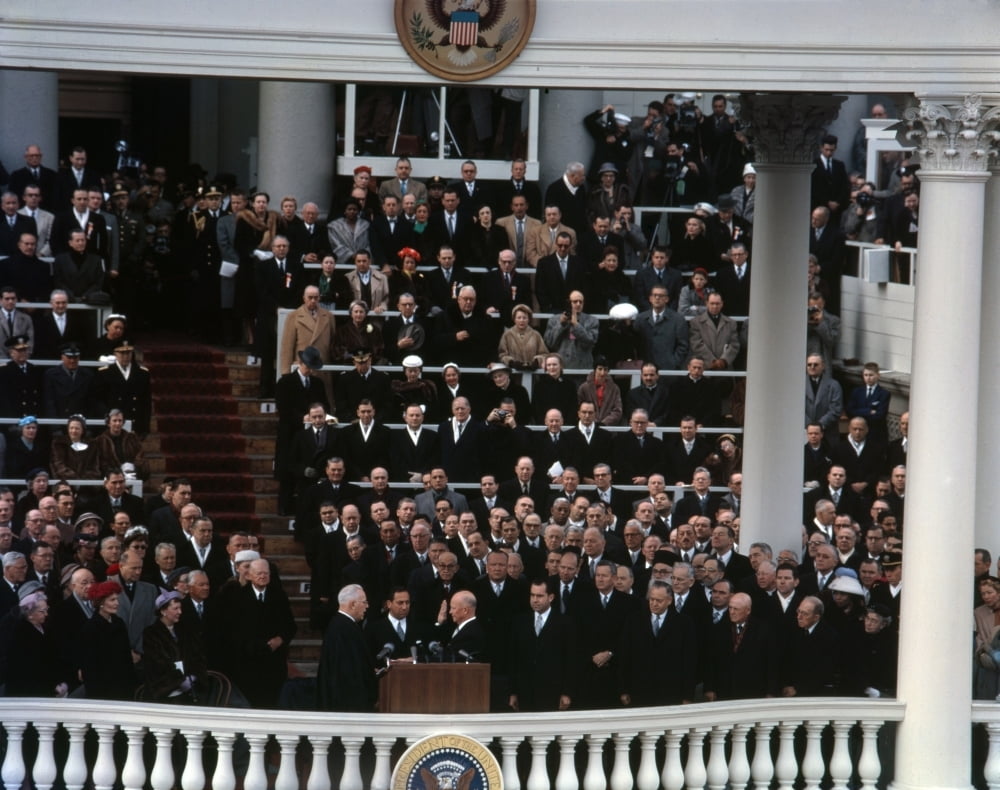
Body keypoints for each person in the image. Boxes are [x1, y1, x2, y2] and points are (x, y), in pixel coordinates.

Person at [618, 579, 697, 705]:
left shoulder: (684, 624)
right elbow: (625, 656)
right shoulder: (634, 620)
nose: (654, 604)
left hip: (671, 693)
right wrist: (623, 690)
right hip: (639, 691)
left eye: (659, 600)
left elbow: (689, 661)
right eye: (652, 599)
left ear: (669, 601)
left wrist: (687, 695)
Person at [508, 580, 577, 711]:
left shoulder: (565, 623)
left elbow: (570, 660)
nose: (534, 600)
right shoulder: (519, 622)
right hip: (525, 693)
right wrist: (513, 692)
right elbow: (513, 659)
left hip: (553, 692)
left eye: (539, 596)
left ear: (550, 597)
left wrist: (567, 692)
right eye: (532, 595)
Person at [142, 590, 208, 703]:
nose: (180, 612)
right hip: (164, 689)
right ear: (163, 611)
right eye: (175, 608)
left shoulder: (184, 630)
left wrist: (194, 675)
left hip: (190, 689)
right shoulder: (151, 633)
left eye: (180, 608)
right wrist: (179, 681)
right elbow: (158, 663)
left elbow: (196, 655)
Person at [5, 591, 70, 698]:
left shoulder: (45, 628)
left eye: (47, 610)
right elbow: (32, 667)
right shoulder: (21, 634)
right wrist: (53, 685)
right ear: (30, 615)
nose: (46, 614)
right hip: (28, 692)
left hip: (47, 686)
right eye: (42, 611)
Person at [81, 580, 138, 699]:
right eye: (112, 600)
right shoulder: (90, 628)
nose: (117, 603)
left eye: (117, 599)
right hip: (103, 691)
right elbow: (90, 666)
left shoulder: (119, 622)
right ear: (101, 602)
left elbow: (126, 656)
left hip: (124, 686)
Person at [279, 284, 336, 377]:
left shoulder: (329, 317)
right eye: (310, 297)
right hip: (302, 368)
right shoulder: (293, 316)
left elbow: (333, 343)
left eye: (316, 298)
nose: (313, 301)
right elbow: (287, 348)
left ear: (319, 298)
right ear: (304, 298)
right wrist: (286, 373)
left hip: (322, 368)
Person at [543, 290, 599, 372]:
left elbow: (590, 341)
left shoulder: (592, 320)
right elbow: (549, 343)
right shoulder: (554, 320)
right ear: (568, 302)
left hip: (582, 367)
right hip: (561, 367)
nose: (578, 304)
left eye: (581, 302)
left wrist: (576, 325)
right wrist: (561, 325)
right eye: (575, 301)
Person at [636, 284, 688, 371]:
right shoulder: (641, 318)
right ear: (650, 298)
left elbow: (683, 346)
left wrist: (673, 362)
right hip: (645, 369)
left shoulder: (678, 319)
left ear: (667, 299)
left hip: (668, 369)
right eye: (654, 295)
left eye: (661, 296)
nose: (657, 298)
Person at [94, 409, 149, 480]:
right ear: (108, 423)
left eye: (120, 421)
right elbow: (99, 462)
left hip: (131, 476)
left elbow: (140, 456)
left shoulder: (132, 438)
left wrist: (133, 466)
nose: (117, 423)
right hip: (109, 477)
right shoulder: (100, 441)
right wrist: (116, 472)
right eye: (114, 421)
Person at [50, 414, 101, 481]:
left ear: (82, 430)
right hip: (65, 481)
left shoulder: (92, 445)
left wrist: (82, 479)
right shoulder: (59, 444)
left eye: (77, 428)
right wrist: (74, 477)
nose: (73, 431)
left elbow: (94, 467)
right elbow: (59, 465)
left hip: (86, 483)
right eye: (71, 428)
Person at [498, 304, 547, 370]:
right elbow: (502, 354)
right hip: (513, 374)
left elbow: (544, 354)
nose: (522, 320)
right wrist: (512, 363)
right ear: (514, 319)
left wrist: (536, 362)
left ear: (529, 319)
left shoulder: (536, 334)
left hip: (532, 374)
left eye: (524, 318)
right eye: (519, 317)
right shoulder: (507, 335)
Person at [577, 356, 622, 426]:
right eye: (600, 369)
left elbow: (617, 410)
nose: (602, 373)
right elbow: (579, 407)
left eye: (605, 369)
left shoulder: (614, 389)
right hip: (588, 426)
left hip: (608, 428)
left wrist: (604, 422)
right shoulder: (584, 388)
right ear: (595, 370)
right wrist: (593, 421)